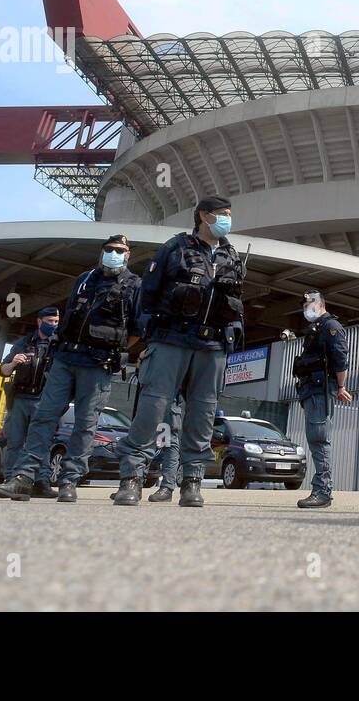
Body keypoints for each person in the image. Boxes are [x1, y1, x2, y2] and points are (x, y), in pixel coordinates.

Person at [113, 196, 245, 508]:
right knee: (152, 408)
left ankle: (192, 481)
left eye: (229, 214)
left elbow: (236, 299)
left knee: (203, 413)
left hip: (212, 346)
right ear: (204, 215)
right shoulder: (176, 247)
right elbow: (148, 293)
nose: (227, 219)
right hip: (171, 339)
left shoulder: (231, 253)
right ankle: (131, 478)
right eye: (222, 214)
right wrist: (149, 340)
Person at [0, 236, 141, 502]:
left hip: (97, 364)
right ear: (101, 251)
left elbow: (137, 331)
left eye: (119, 251)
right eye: (109, 249)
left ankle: (69, 481)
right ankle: (24, 477)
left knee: (85, 425)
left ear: (128, 254)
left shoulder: (134, 285)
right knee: (43, 417)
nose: (113, 254)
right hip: (66, 359)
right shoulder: (85, 279)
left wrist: (114, 350)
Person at [0, 306, 59, 498]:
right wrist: (14, 363)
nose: (53, 325)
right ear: (39, 321)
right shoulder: (24, 342)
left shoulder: (59, 344)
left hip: (44, 400)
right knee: (15, 441)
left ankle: (41, 483)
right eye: (50, 321)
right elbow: (3, 370)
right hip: (20, 398)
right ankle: (10, 479)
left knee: (42, 442)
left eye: (56, 322)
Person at [294, 290, 352, 509]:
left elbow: (340, 357)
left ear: (320, 304)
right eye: (304, 305)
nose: (305, 308)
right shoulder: (317, 328)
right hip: (311, 390)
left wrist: (341, 386)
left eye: (309, 304)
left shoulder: (330, 326)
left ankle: (323, 490)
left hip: (320, 390)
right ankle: (321, 489)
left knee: (319, 439)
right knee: (314, 438)